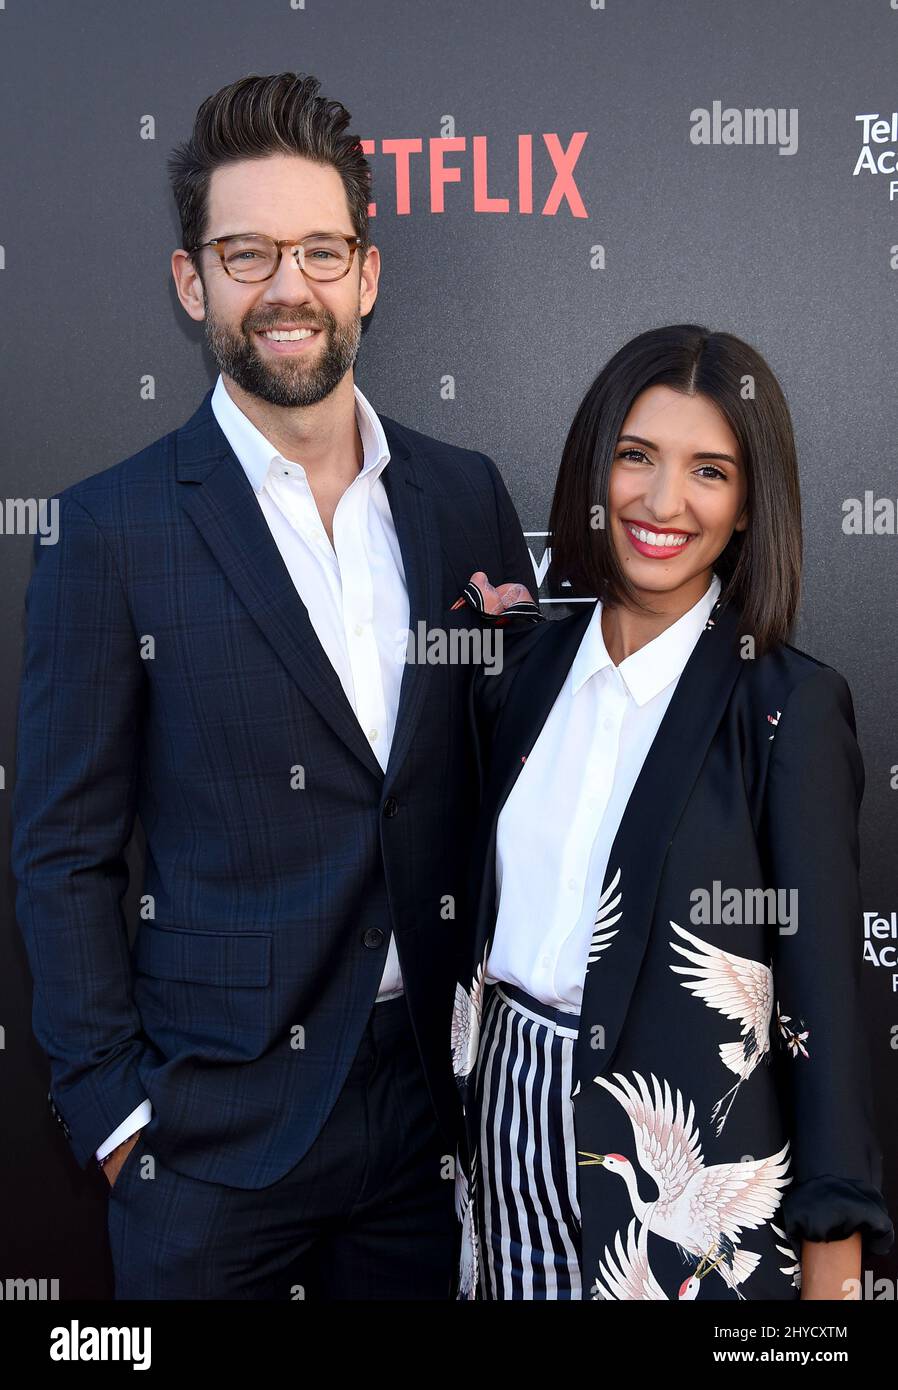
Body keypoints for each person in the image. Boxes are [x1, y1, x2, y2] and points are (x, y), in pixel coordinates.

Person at [11, 71, 534, 1300]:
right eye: (246, 254)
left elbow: (507, 776)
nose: (286, 287)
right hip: (207, 1140)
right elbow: (63, 850)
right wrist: (115, 1119)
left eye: (316, 250)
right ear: (192, 283)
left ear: (367, 271)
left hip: (430, 1119)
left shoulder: (465, 495)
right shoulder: (110, 529)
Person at [452, 324, 894, 1300]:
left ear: (747, 507)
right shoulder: (519, 680)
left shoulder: (784, 709)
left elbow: (823, 1006)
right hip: (500, 1153)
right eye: (636, 457)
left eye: (708, 471)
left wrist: (831, 1277)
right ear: (594, 470)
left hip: (676, 1201)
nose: (661, 502)